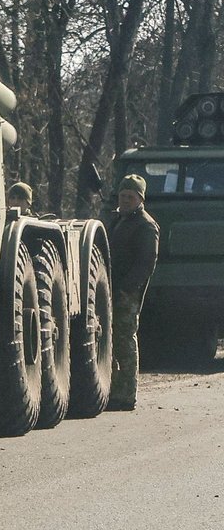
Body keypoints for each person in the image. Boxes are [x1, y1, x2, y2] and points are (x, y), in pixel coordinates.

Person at [106, 173, 159, 411]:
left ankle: (127, 395)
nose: (125, 200)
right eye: (122, 195)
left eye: (130, 196)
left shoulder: (146, 225)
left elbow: (146, 263)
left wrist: (127, 289)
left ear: (140, 199)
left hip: (127, 293)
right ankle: (114, 390)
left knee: (125, 340)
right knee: (112, 341)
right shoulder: (118, 220)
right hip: (111, 289)